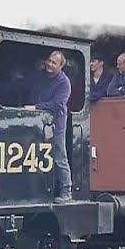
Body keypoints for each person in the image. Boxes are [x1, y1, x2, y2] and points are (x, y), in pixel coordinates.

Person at [25, 50, 73, 202]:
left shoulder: (64, 83)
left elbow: (57, 104)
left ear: (60, 66)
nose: (49, 64)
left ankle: (66, 191)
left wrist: (36, 107)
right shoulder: (39, 75)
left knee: (59, 157)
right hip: (36, 124)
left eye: (54, 63)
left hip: (55, 125)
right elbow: (24, 85)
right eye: (49, 60)